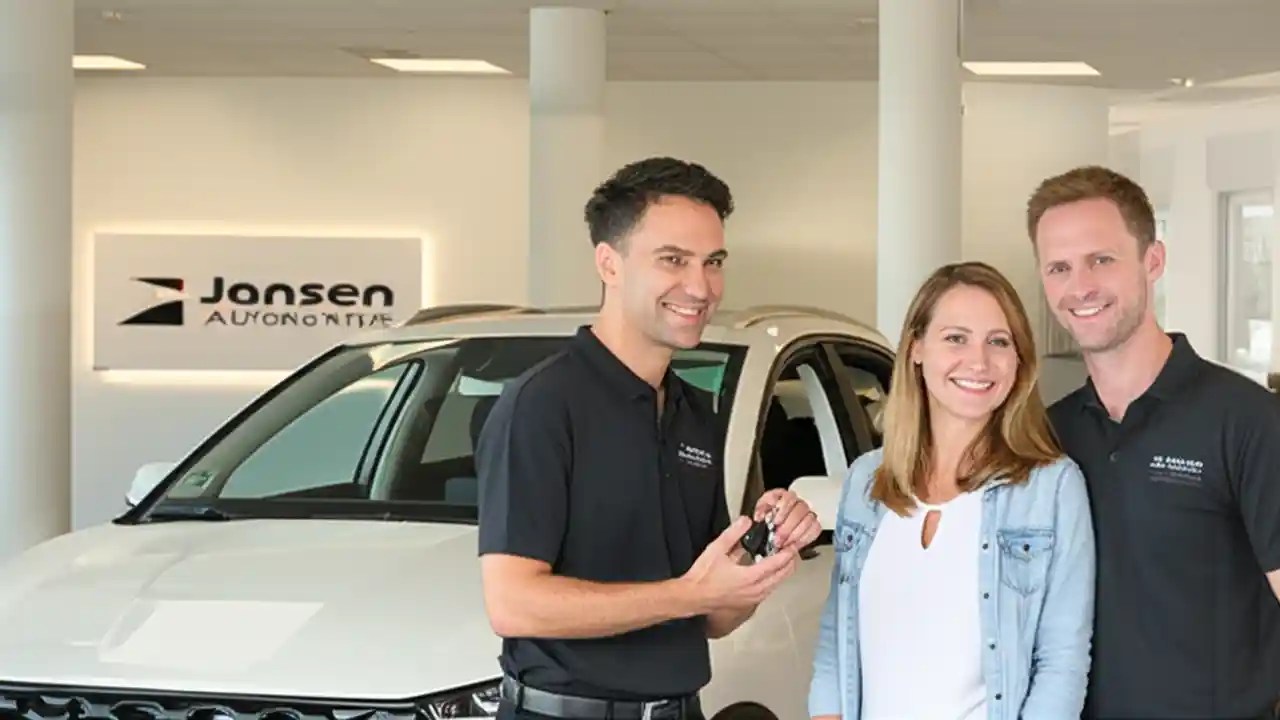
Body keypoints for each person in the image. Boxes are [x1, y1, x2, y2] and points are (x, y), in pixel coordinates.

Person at [476, 156, 823, 720]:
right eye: (673, 260)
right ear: (609, 264)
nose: (700, 285)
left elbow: (713, 618)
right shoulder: (543, 404)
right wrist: (691, 593)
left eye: (713, 262)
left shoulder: (692, 414)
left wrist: (765, 554)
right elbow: (514, 604)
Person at [1028, 165, 1280, 719]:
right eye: (1059, 268)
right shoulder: (1047, 436)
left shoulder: (1248, 420)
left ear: (1153, 261)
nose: (1081, 287)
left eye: (1101, 259)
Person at [808, 261, 1096, 720]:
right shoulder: (867, 481)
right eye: (956, 338)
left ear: (1019, 359)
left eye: (998, 342)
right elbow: (835, 643)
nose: (978, 362)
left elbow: (1061, 661)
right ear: (917, 348)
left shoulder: (1050, 487)